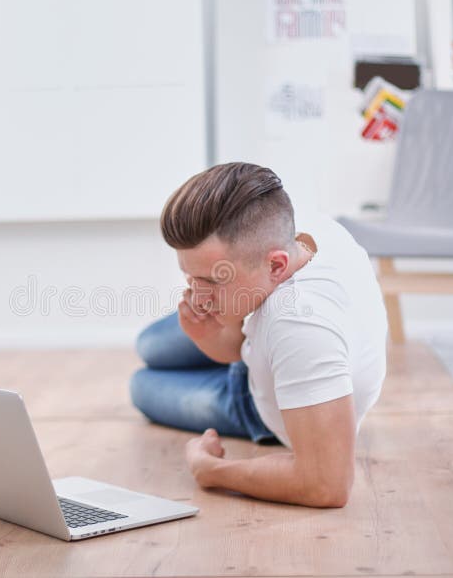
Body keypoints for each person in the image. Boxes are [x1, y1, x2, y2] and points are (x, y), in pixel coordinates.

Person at [129, 162, 387, 508]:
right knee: (149, 345)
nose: (198, 297)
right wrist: (206, 336)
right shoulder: (295, 228)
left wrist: (213, 470)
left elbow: (328, 484)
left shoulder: (300, 326)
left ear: (277, 266)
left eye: (214, 280)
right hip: (259, 342)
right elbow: (239, 344)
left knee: (141, 386)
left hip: (262, 401)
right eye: (190, 277)